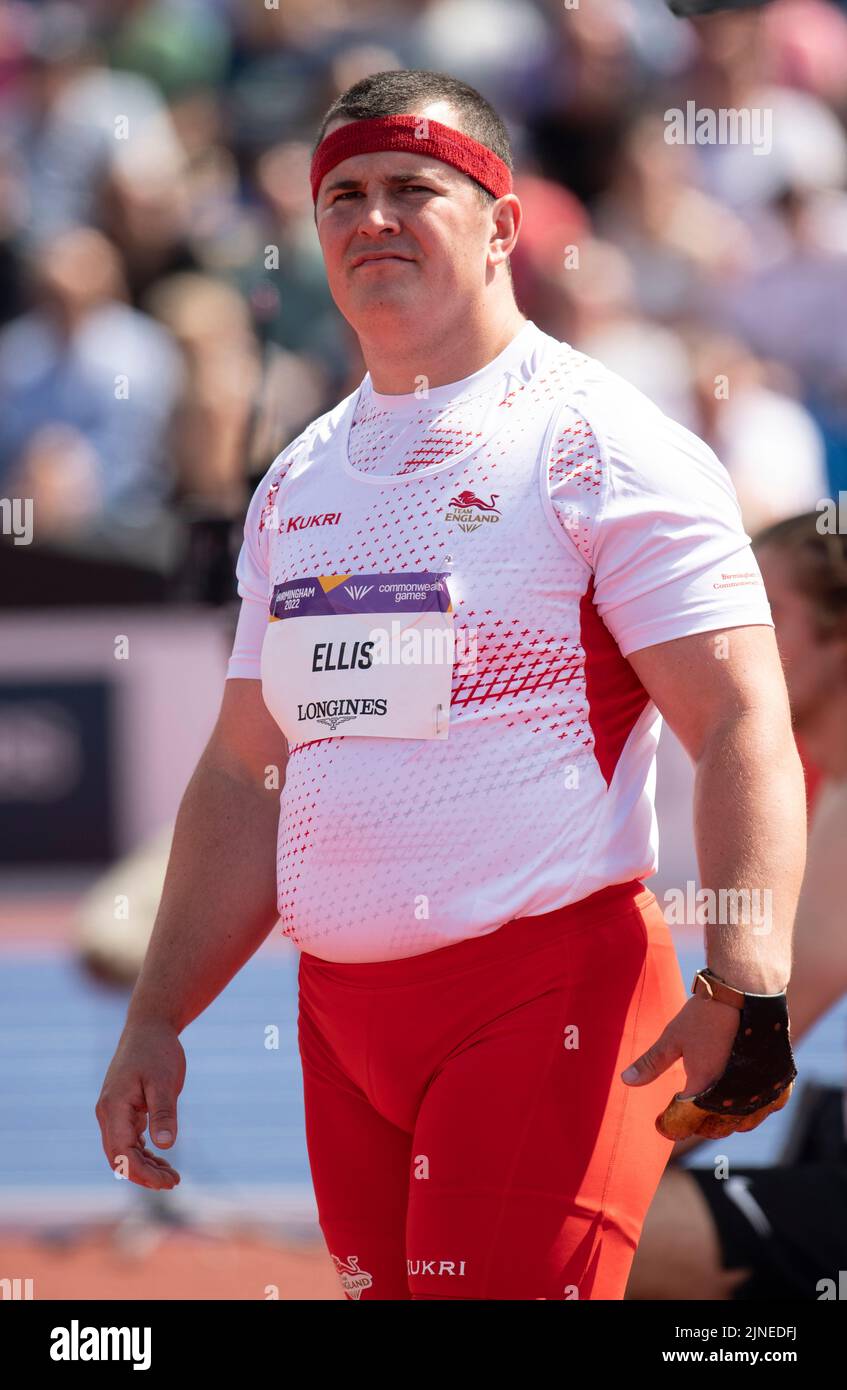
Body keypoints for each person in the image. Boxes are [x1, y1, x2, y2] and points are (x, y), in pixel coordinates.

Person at [96, 69, 807, 1301]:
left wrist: (742, 974)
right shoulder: (300, 480)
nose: (372, 218)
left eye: (413, 189)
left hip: (544, 998)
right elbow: (243, 767)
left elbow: (740, 713)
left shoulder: (595, 442)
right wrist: (157, 1010)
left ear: (503, 226)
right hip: (344, 1023)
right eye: (343, 197)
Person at [628, 513, 847, 1302]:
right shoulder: (825, 787)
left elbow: (772, 1019)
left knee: (575, 1244)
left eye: (766, 612)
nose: (735, 635)